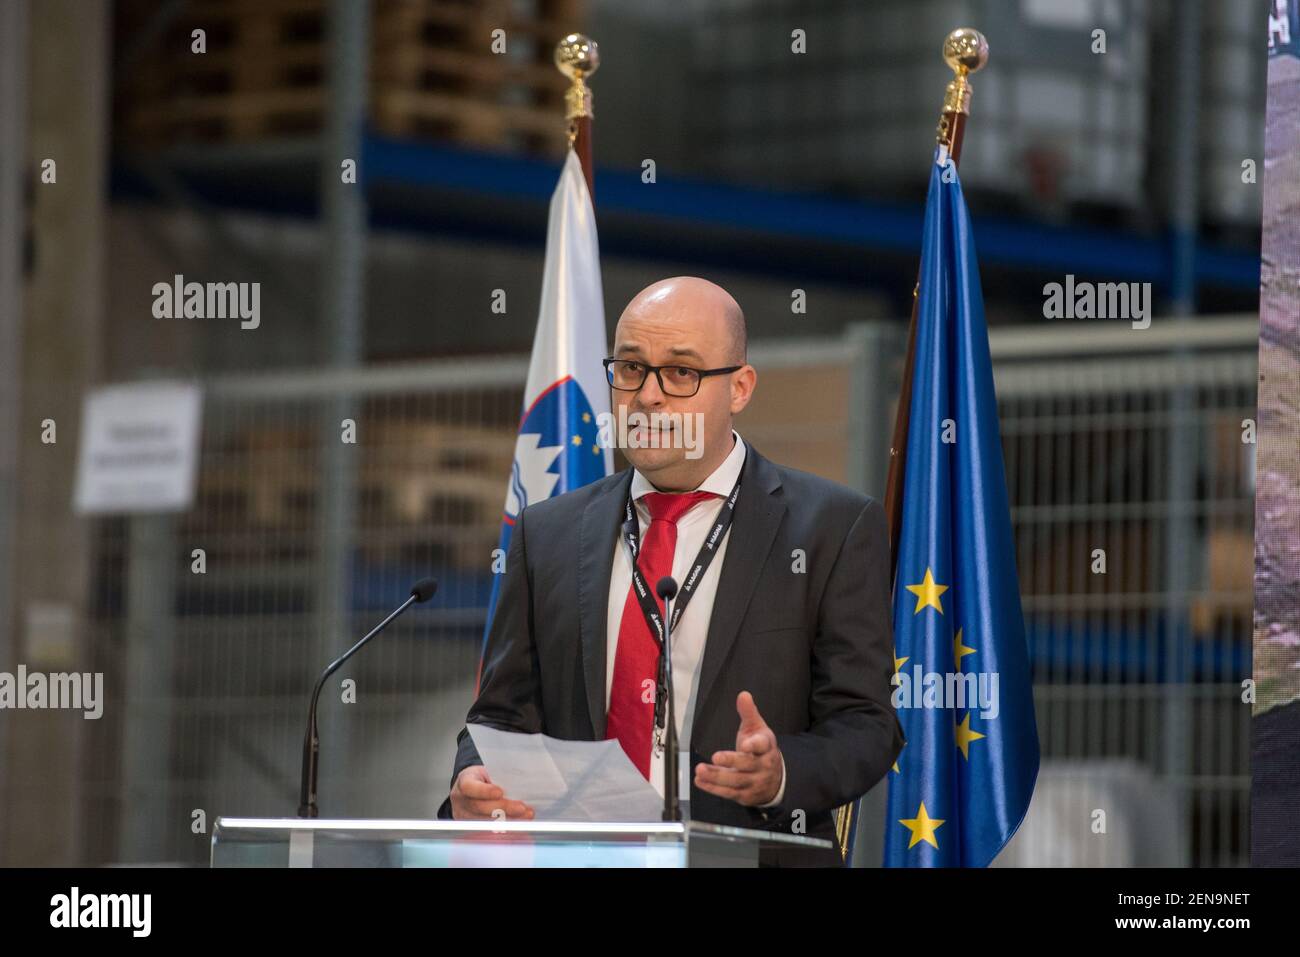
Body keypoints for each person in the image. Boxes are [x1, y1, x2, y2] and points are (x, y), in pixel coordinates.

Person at [437, 277, 903, 865]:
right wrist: (473, 777)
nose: (649, 396)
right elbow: (498, 717)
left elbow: (867, 724)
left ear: (739, 388)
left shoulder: (832, 528)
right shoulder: (548, 533)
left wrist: (780, 771)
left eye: (681, 372)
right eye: (630, 367)